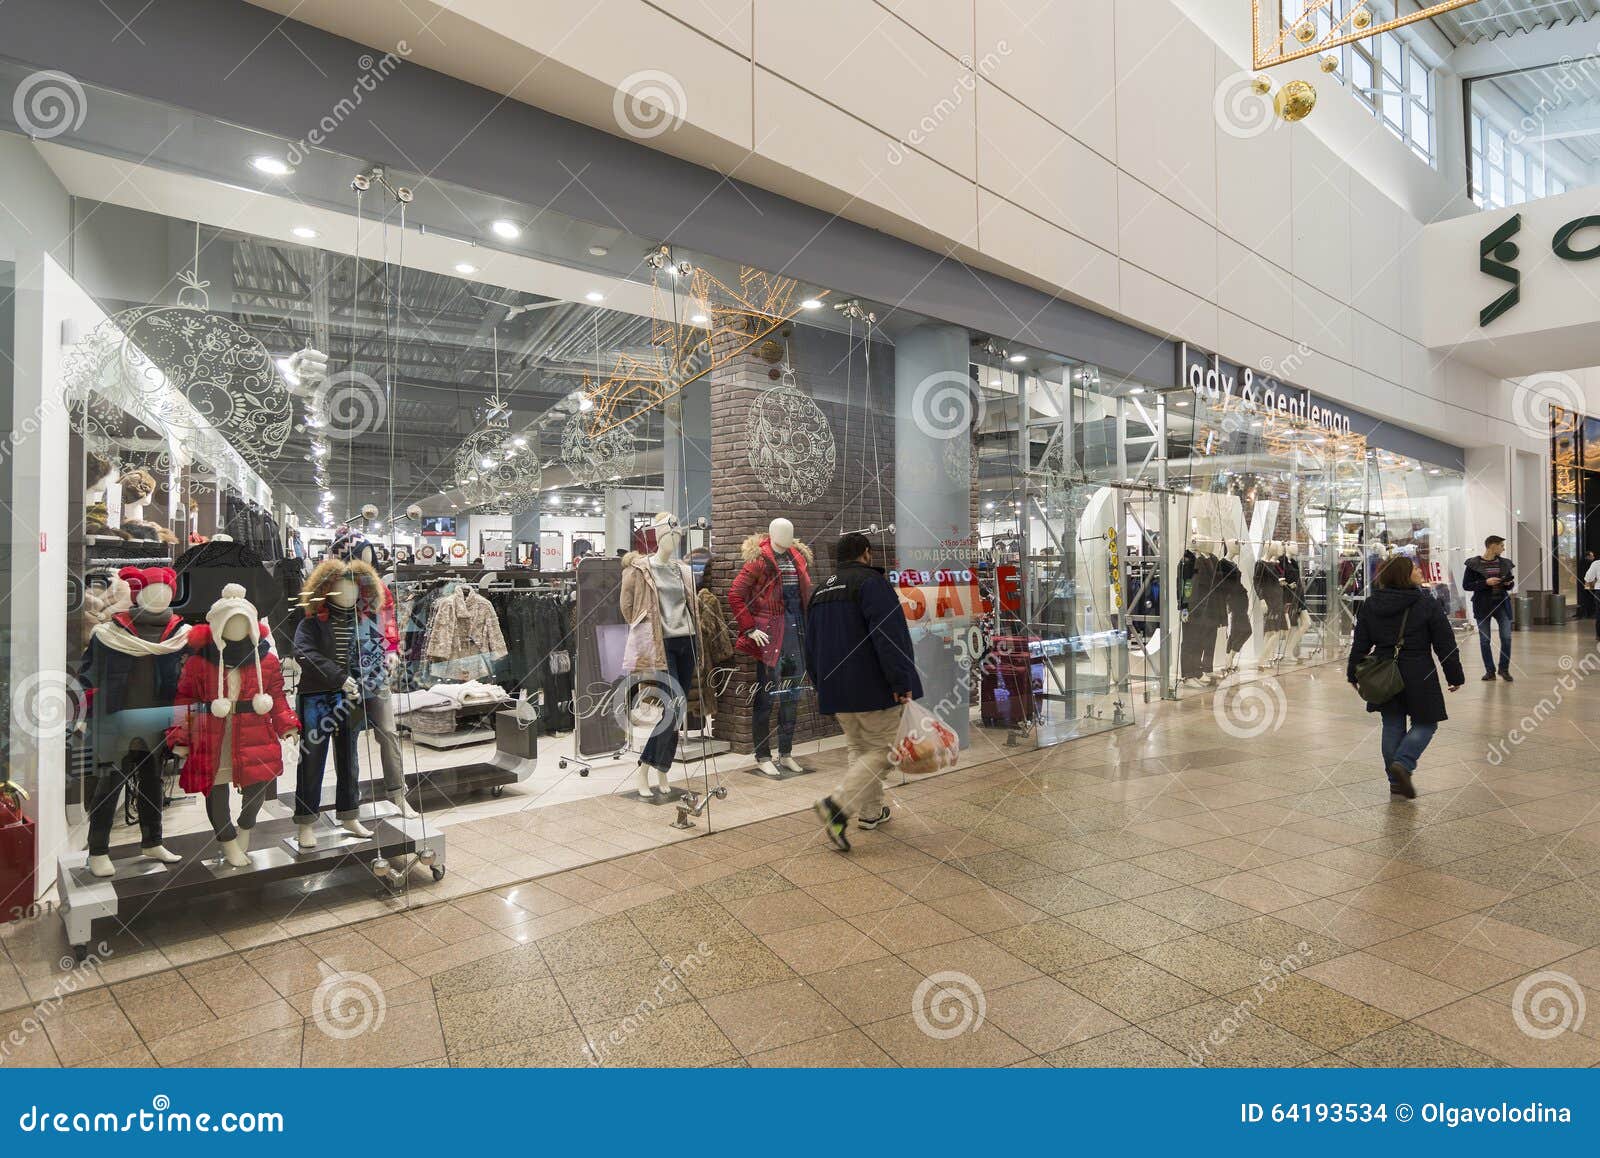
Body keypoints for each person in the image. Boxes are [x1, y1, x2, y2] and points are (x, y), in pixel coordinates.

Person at [806, 532, 923, 852]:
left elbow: (810, 644)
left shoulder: (821, 591)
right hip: (871, 686)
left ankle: (871, 812)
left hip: (837, 689)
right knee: (885, 749)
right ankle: (837, 805)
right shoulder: (871, 584)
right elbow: (890, 636)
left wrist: (821, 684)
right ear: (866, 553)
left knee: (860, 749)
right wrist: (901, 681)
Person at [1348, 555, 1465, 800]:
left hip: (1383, 671)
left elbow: (1360, 642)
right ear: (1402, 574)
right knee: (1426, 723)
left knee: (1392, 724)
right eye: (1413, 568)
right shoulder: (1426, 604)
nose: (1419, 571)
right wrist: (1454, 675)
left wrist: (1353, 672)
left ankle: (1396, 783)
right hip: (1419, 671)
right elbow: (1445, 643)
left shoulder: (1371, 604)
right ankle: (1403, 762)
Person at [1463, 534, 1516, 682]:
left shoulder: (1505, 563)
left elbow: (1511, 584)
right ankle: (1490, 671)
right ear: (1492, 546)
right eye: (1501, 545)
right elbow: (1466, 585)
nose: (1503, 548)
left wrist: (1508, 584)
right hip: (1482, 606)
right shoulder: (1473, 564)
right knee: (1485, 640)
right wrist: (1486, 582)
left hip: (1502, 604)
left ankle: (1504, 670)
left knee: (1506, 638)